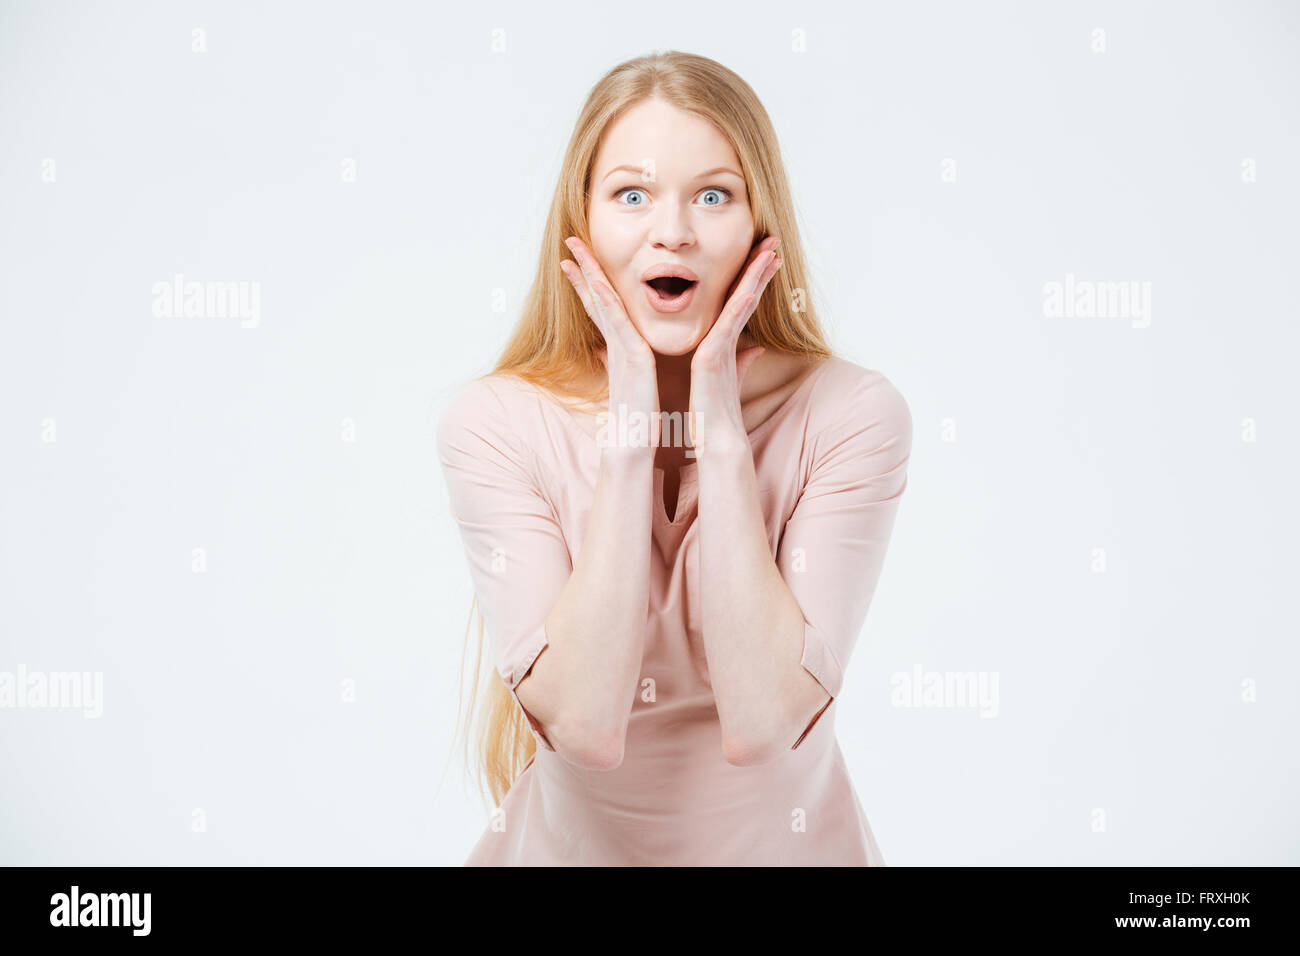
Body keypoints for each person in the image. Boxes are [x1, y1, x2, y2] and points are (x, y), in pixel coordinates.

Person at [437, 50, 912, 865]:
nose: (674, 232)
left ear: (763, 225)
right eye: (632, 194)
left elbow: (765, 724)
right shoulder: (495, 422)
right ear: (579, 226)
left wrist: (717, 427)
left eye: (714, 195)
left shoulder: (852, 415)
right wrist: (631, 426)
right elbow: (584, 725)